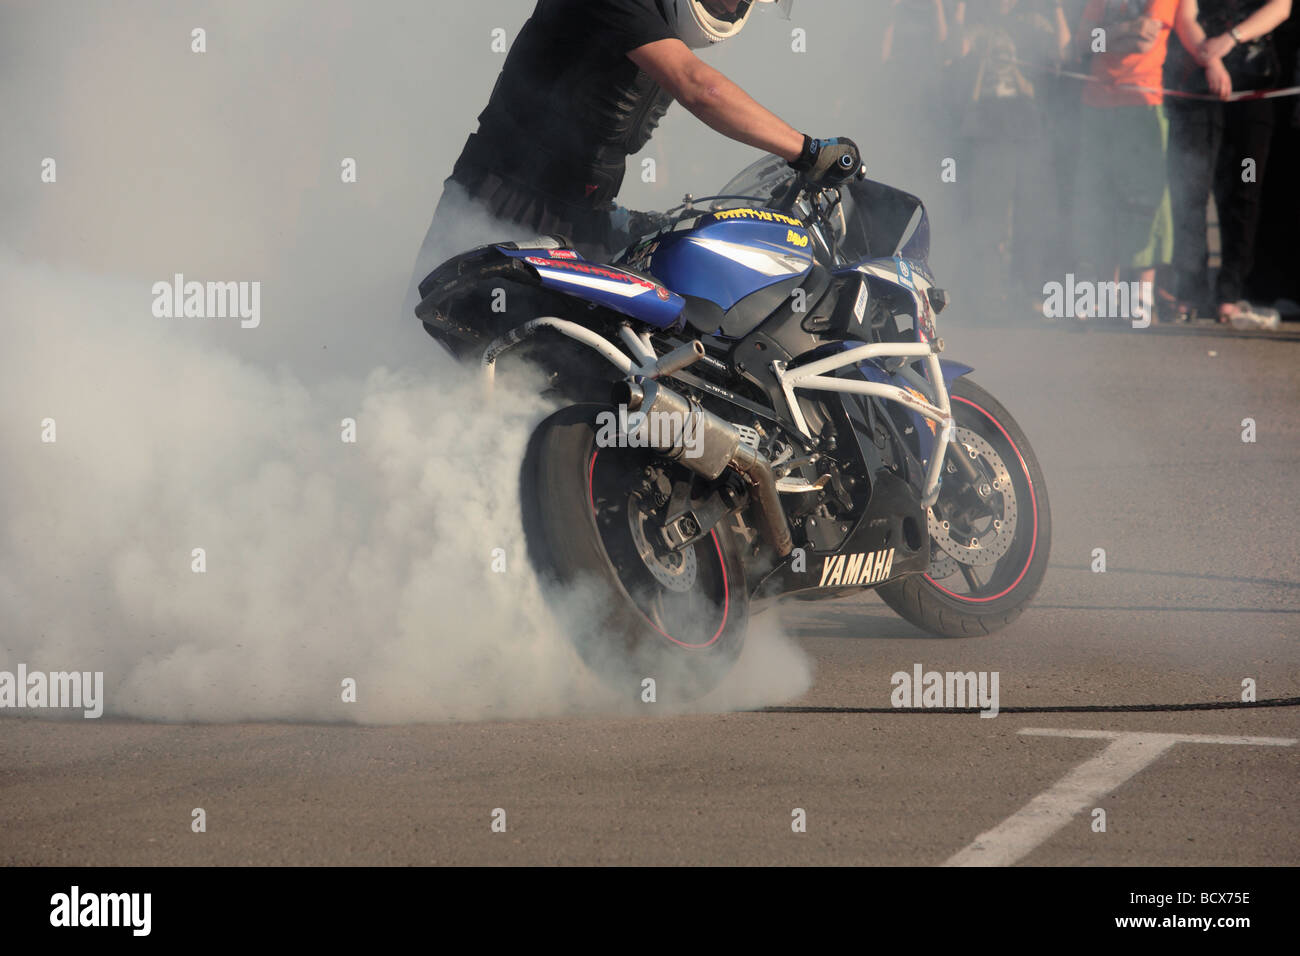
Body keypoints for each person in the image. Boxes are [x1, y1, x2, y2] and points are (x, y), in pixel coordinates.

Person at [404, 0, 861, 317]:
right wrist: (809, 151)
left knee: (589, 379)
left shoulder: (663, 31)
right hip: (501, 201)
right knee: (443, 365)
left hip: (582, 217)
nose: (729, 8)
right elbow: (703, 90)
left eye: (741, 2)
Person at [1163, 0, 1292, 326]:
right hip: (1198, 91)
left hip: (1252, 98)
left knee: (1244, 188)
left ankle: (1230, 294)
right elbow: (1185, 13)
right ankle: (1189, 291)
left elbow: (1281, 7)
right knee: (1192, 187)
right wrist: (1209, 60)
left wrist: (1230, 39)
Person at [1072, 0, 1180, 325]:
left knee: (1146, 201)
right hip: (1098, 103)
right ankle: (1106, 294)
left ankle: (1142, 297)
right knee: (1100, 197)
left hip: (1143, 101)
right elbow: (1084, 43)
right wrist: (1126, 30)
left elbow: (1145, 40)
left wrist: (1107, 35)